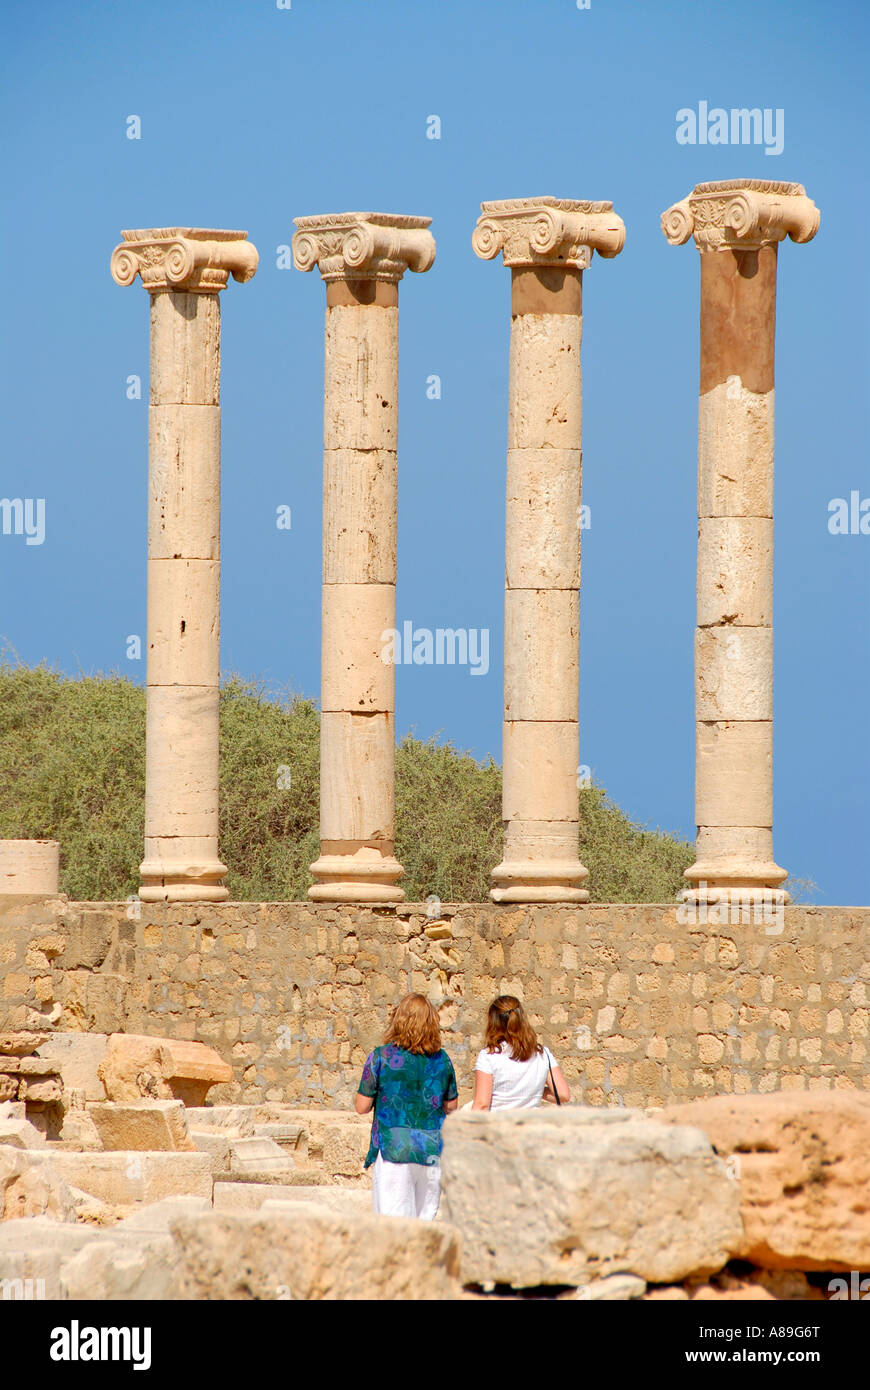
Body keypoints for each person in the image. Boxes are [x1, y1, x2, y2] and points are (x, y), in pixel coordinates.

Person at [354, 993, 458, 1219]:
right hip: (431, 1151)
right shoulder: (443, 1060)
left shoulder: (380, 1057)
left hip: (395, 1150)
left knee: (394, 1229)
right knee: (424, 1227)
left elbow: (361, 1106)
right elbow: (452, 1105)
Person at [471, 994, 570, 1110]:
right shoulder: (543, 1054)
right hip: (532, 1125)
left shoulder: (489, 1056)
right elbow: (563, 1095)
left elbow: (482, 1104)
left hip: (501, 1125)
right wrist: (533, 1090)